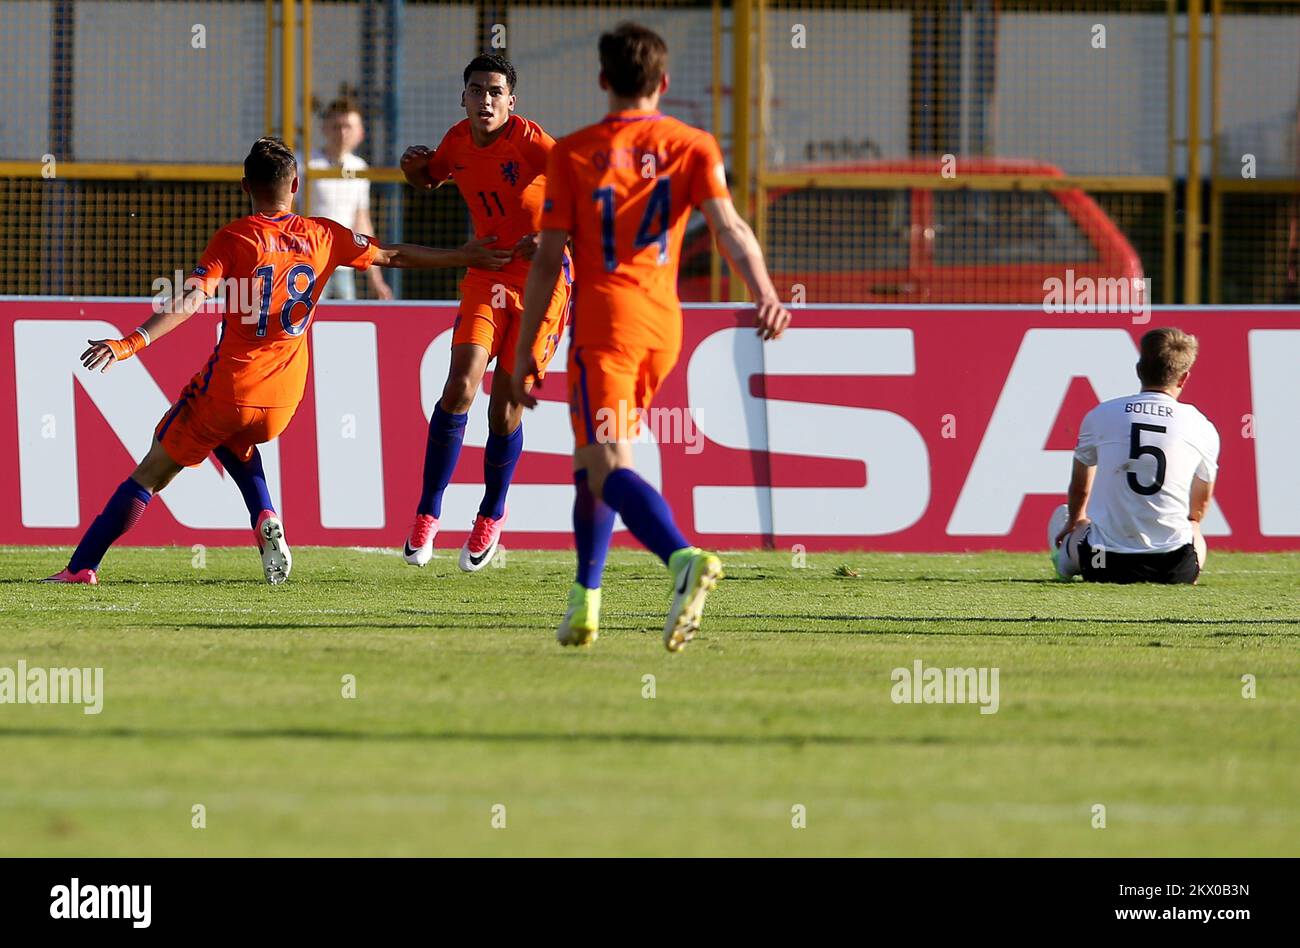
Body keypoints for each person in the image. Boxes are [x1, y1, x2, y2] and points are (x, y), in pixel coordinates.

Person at [45, 137, 510, 586]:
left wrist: (132, 342)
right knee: (234, 438)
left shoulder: (234, 238)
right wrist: (462, 255)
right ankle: (264, 513)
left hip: (231, 388)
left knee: (152, 469)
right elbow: (393, 254)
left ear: (246, 187)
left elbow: (189, 299)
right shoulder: (324, 235)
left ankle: (82, 565)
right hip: (284, 401)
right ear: (295, 185)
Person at [512, 23, 792, 650]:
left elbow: (546, 259)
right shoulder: (692, 145)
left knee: (606, 463)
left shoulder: (574, 153)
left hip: (604, 326)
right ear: (663, 83)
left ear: (604, 79)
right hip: (664, 326)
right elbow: (729, 227)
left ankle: (682, 558)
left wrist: (525, 352)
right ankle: (585, 602)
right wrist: (765, 292)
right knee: (592, 468)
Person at [397, 54, 573, 571]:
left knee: (503, 406)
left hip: (543, 282)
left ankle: (491, 511)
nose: (486, 100)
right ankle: (428, 512)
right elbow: (429, 177)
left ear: (511, 101)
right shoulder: (456, 141)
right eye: (477, 90)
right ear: (464, 98)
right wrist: (414, 169)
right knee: (460, 385)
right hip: (487, 273)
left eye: (496, 91)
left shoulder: (534, 143)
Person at [1050, 327, 1220, 585]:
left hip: (1103, 562)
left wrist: (1074, 522)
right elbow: (1200, 506)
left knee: (1066, 517)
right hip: (1173, 566)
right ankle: (1183, 572)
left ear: (1139, 369)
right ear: (1184, 378)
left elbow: (1080, 489)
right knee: (1192, 527)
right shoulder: (1201, 425)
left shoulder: (1101, 414)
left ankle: (1063, 565)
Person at [308, 98, 392, 301]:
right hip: (310, 261)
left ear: (360, 132)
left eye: (348, 126)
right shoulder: (308, 163)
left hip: (344, 264)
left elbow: (361, 220)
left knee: (344, 313)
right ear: (324, 128)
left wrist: (376, 278)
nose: (342, 133)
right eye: (336, 126)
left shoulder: (359, 167)